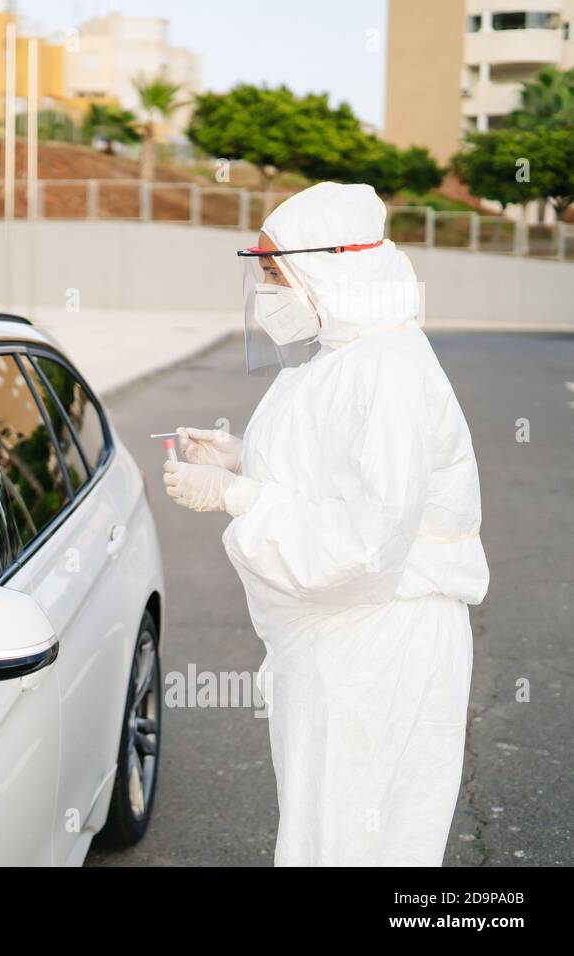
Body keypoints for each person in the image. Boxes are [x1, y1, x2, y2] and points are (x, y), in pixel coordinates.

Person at [163, 182, 489, 866]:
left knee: (355, 843)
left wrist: (240, 500)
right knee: (325, 835)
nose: (265, 290)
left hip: (380, 645)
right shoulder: (344, 351)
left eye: (275, 273)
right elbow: (329, 465)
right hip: (342, 644)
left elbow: (370, 540)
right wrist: (239, 456)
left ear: (330, 267)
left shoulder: (387, 370)